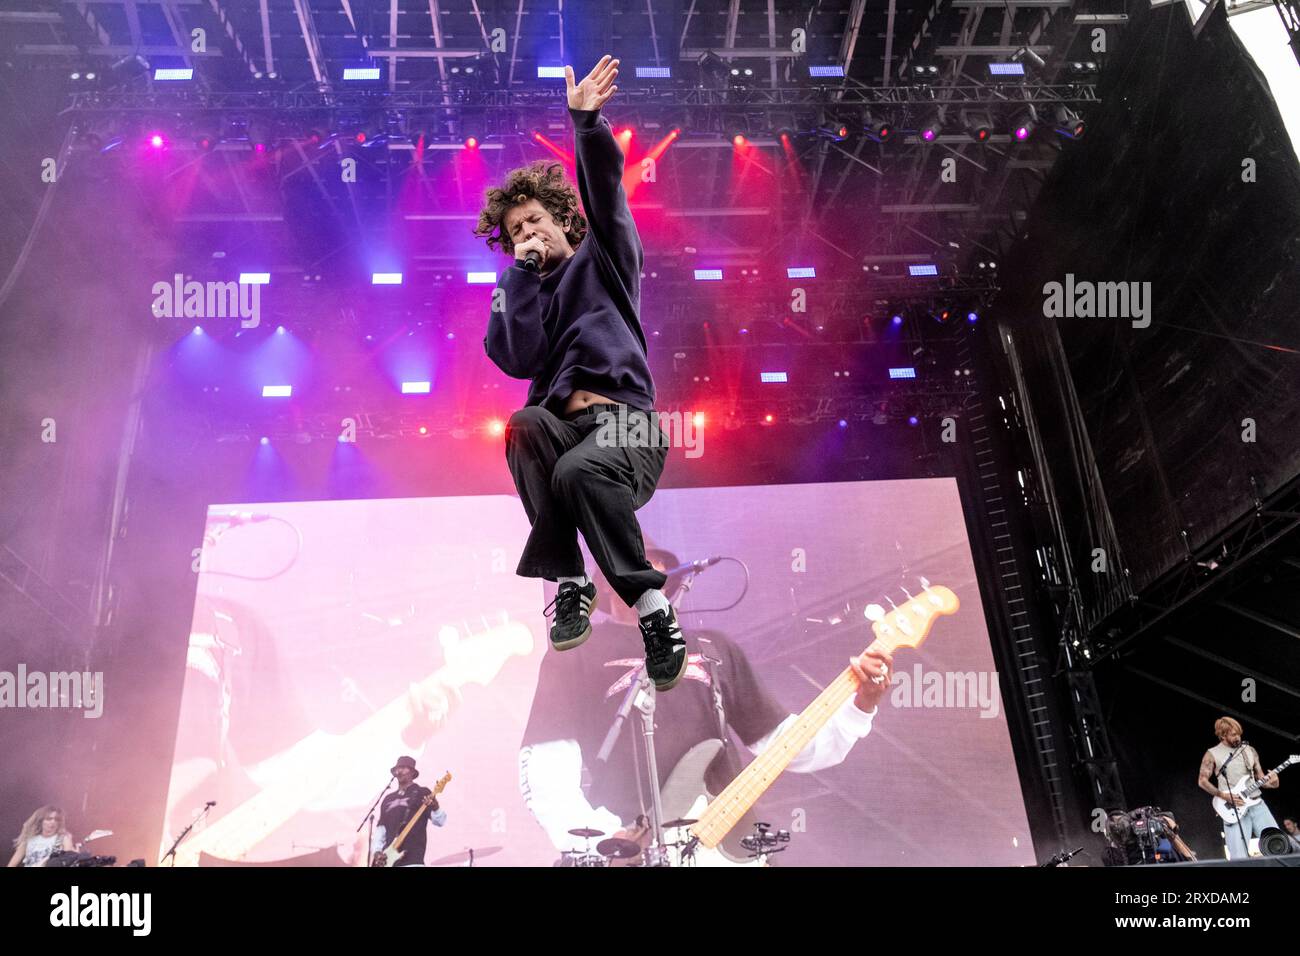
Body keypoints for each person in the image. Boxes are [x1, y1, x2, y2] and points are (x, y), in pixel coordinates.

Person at [475, 55, 686, 692]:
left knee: (578, 468)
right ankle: (569, 581)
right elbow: (511, 358)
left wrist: (586, 124)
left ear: (563, 219)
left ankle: (652, 609)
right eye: (515, 229)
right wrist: (517, 272)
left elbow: (605, 194)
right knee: (525, 424)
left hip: (630, 432)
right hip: (569, 434)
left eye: (535, 219)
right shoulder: (522, 290)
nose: (527, 231)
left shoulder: (606, 258)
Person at [518, 547, 893, 862]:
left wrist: (858, 707)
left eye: (657, 571)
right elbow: (546, 762)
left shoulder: (713, 648)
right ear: (608, 585)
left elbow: (786, 744)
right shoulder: (577, 652)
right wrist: (605, 841)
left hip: (725, 847)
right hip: (632, 845)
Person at [1197, 717, 1281, 859]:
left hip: (1257, 804)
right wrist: (1223, 796)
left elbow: (1261, 779)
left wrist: (1274, 782)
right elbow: (1202, 781)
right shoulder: (1212, 754)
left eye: (1239, 734)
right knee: (1239, 856)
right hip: (1233, 809)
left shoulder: (1249, 750)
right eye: (1233, 735)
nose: (1238, 737)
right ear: (1223, 735)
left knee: (1278, 845)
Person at [370, 756, 446, 867]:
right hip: (390, 862)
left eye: (404, 768)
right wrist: (377, 852)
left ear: (412, 772)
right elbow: (381, 830)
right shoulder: (388, 799)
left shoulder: (422, 792)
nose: (399, 771)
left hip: (413, 861)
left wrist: (435, 806)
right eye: (398, 768)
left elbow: (440, 821)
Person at [7, 805, 75, 867]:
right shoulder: (29, 839)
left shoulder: (63, 839)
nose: (53, 822)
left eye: (56, 820)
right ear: (41, 821)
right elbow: (12, 864)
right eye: (49, 819)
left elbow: (69, 862)